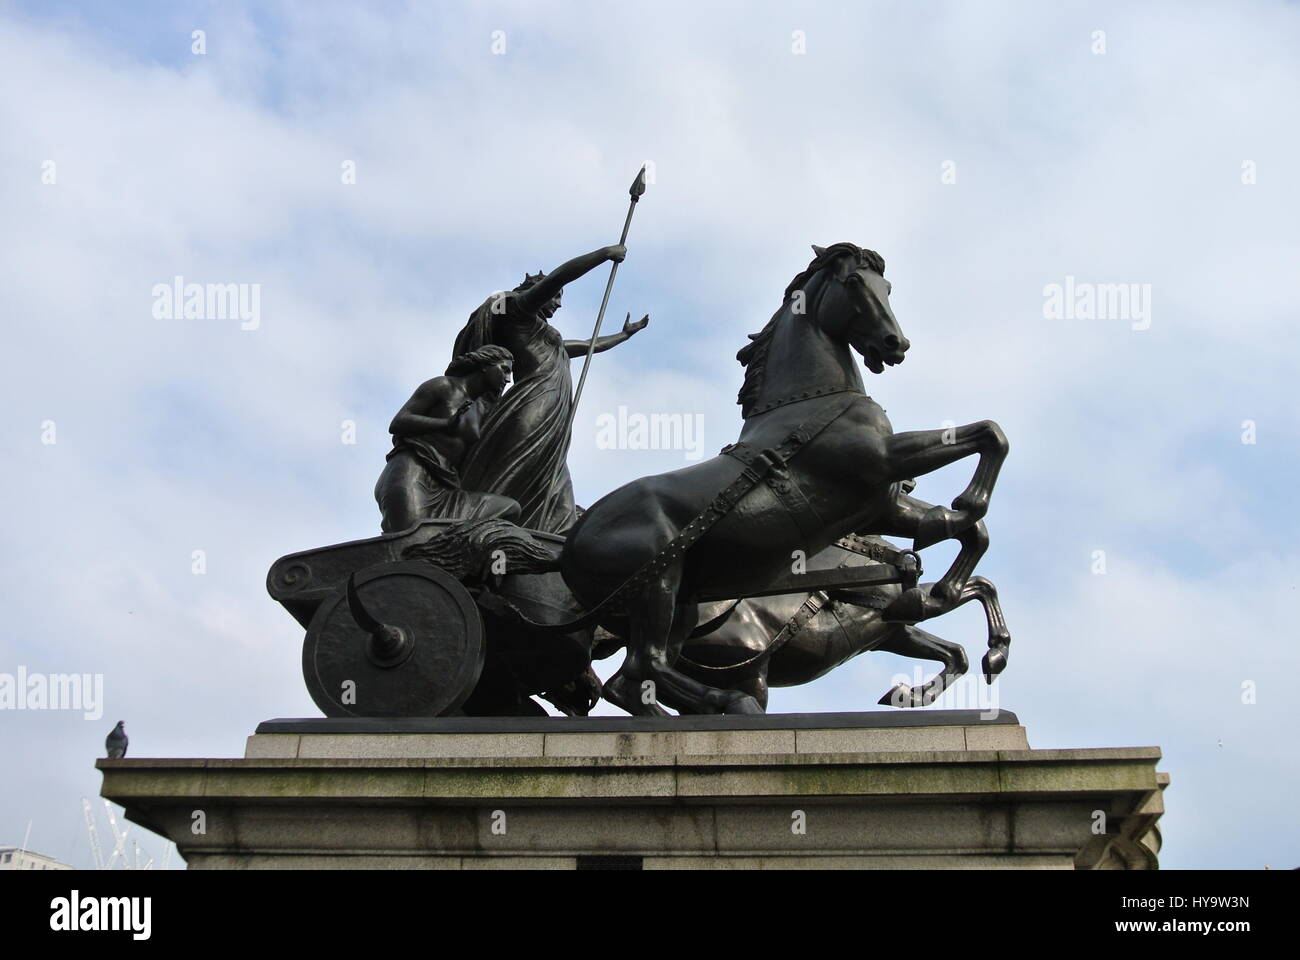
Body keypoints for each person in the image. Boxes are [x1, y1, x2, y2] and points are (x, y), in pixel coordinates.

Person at [452, 243, 649, 533]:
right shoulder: (517, 313)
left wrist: (623, 335)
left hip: (553, 412)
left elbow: (583, 346)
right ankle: (477, 531)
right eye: (554, 297)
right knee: (518, 467)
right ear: (537, 291)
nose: (558, 303)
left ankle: (549, 536)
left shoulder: (540, 333)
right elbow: (559, 277)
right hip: (533, 403)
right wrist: (603, 254)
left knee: (554, 478)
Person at [374, 344, 520, 533]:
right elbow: (398, 423)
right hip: (412, 473)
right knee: (411, 536)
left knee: (510, 509)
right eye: (504, 370)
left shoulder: (484, 408)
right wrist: (445, 424)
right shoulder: (443, 386)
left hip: (447, 488)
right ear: (485, 365)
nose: (508, 379)